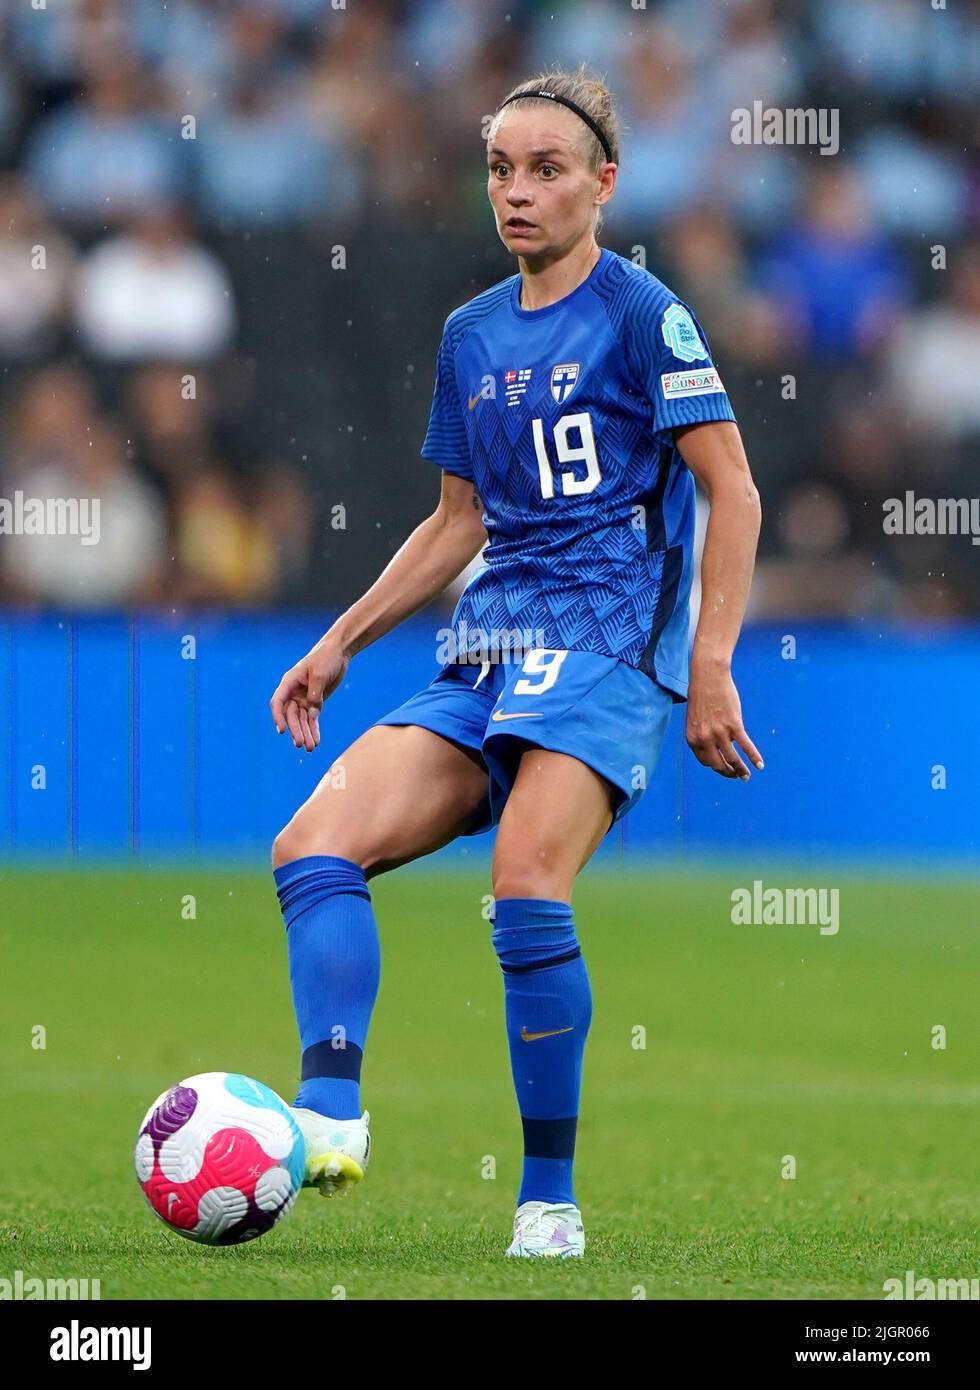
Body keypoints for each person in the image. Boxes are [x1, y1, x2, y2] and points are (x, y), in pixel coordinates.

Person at [269, 67, 762, 1258]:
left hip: (604, 647)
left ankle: (547, 1201)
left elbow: (729, 487)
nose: (518, 191)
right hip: (485, 648)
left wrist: (710, 662)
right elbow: (456, 521)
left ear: (602, 183)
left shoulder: (647, 315)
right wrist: (338, 643)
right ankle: (329, 1115)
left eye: (546, 170)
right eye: (500, 168)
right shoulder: (469, 334)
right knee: (309, 845)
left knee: (524, 883)